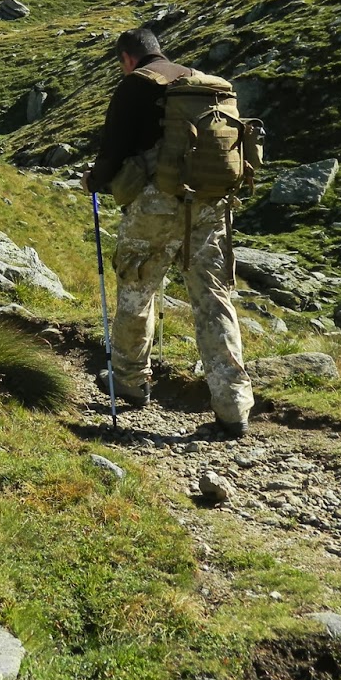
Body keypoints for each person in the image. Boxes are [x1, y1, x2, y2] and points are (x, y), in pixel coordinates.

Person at [82, 28, 254, 438]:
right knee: (213, 299)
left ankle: (130, 381)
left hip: (156, 206)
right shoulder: (197, 82)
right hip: (209, 205)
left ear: (127, 58)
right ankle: (233, 405)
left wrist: (93, 180)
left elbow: (113, 151)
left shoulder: (135, 86)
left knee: (137, 290)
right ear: (158, 50)